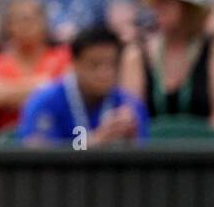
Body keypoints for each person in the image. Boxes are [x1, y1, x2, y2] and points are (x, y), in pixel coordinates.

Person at [119, 0, 214, 131]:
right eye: (158, 1)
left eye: (168, 2)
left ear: (189, 9)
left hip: (204, 152)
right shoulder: (136, 53)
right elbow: (131, 116)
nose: (158, 8)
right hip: (150, 154)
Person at [17, 25, 150, 144]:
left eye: (112, 65)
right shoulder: (44, 102)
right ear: (75, 64)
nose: (104, 73)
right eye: (95, 65)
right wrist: (95, 141)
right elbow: (36, 156)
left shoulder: (129, 105)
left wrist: (132, 140)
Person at [0, 0, 72, 132]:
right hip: (9, 140)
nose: (26, 25)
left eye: (32, 18)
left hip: (57, 136)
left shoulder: (64, 56)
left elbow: (68, 93)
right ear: (8, 26)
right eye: (20, 20)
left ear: (44, 22)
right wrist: (47, 83)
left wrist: (14, 90)